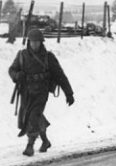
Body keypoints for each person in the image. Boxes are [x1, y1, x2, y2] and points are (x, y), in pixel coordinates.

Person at [8, 28, 74, 157]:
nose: (34, 44)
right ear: (28, 42)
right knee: (29, 117)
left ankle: (30, 145)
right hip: (26, 92)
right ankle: (45, 141)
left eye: (37, 42)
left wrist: (69, 93)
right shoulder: (22, 55)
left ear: (41, 42)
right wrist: (17, 75)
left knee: (33, 116)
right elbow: (12, 70)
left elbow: (60, 75)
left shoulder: (48, 57)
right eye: (32, 41)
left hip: (41, 92)